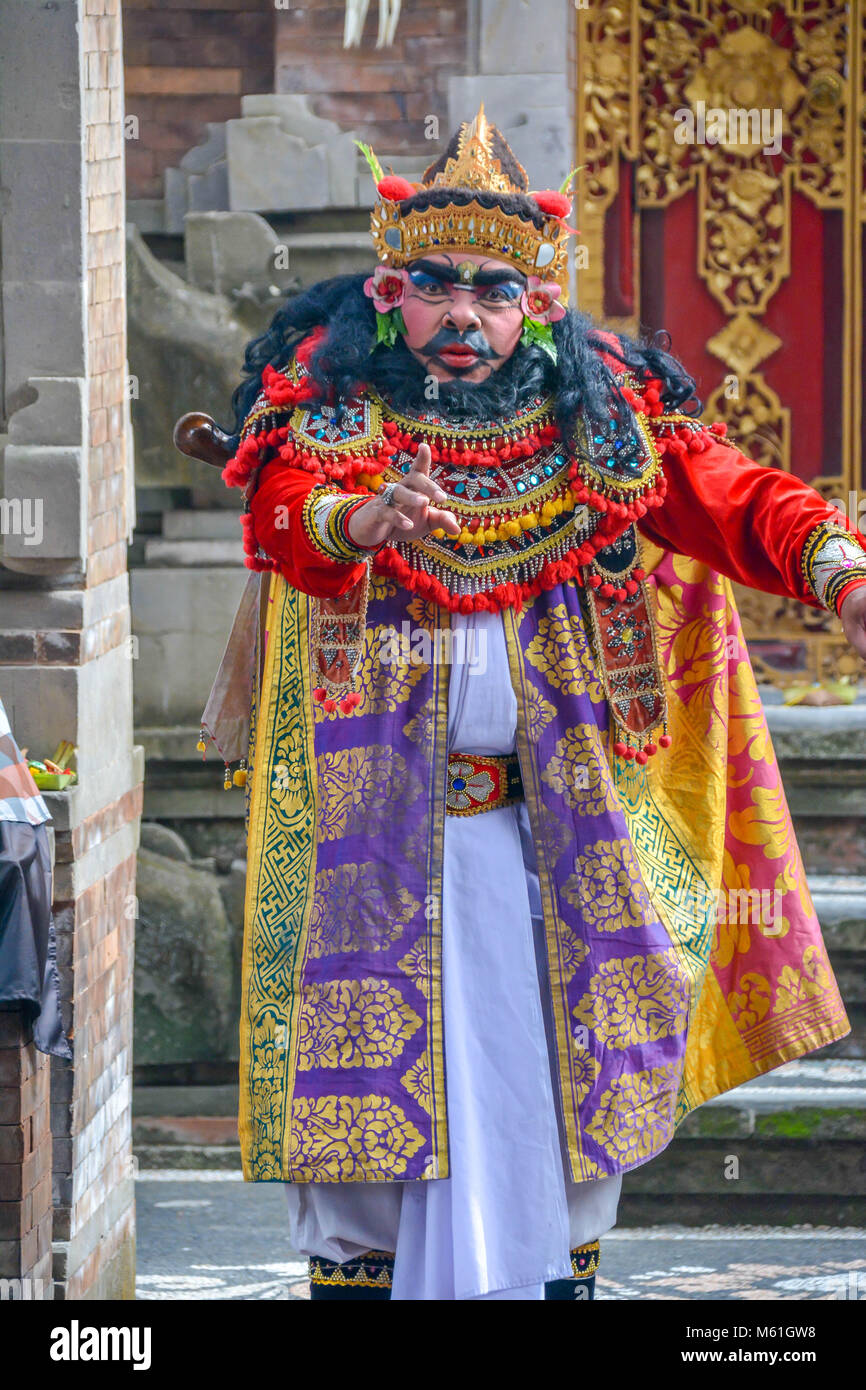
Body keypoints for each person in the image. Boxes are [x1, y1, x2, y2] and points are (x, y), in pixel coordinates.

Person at [206, 106, 866, 1301]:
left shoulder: (602, 426)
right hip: (373, 835)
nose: (462, 319)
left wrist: (837, 569)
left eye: (493, 292)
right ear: (392, 292)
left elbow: (734, 497)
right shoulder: (340, 411)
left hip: (554, 837)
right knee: (362, 1150)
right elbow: (282, 510)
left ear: (539, 305)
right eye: (438, 288)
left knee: (566, 1100)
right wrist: (362, 519)